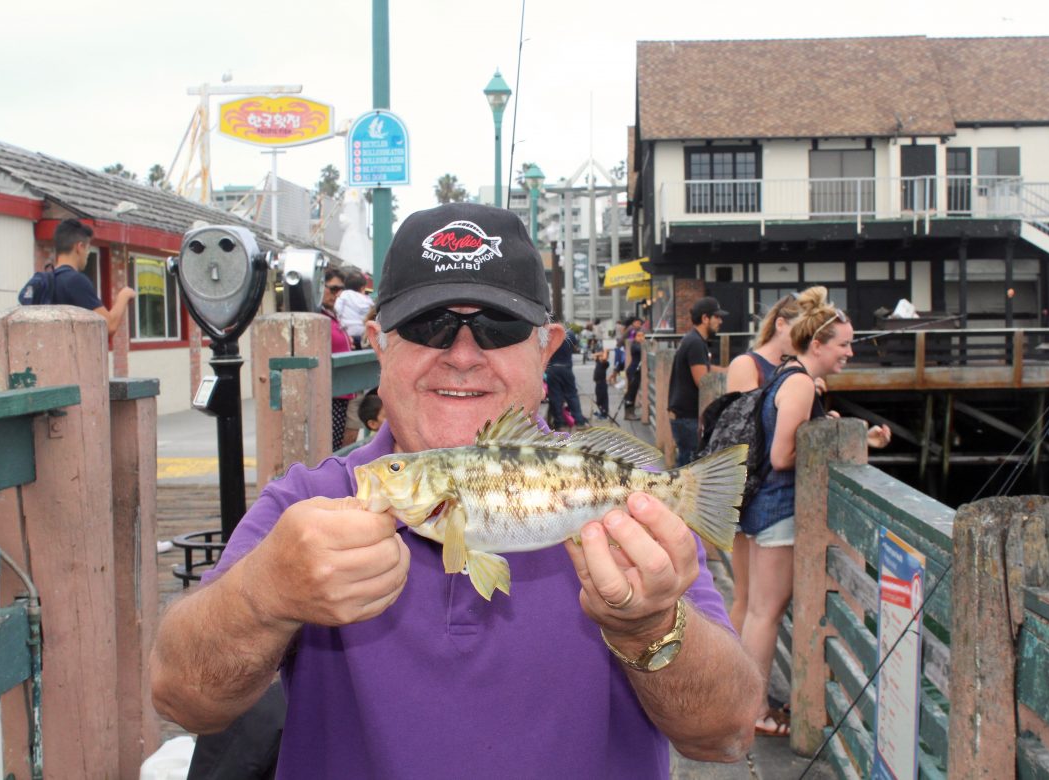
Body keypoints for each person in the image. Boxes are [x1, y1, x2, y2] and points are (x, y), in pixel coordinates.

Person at [151, 203, 761, 777]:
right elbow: (183, 699)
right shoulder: (310, 504)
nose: (462, 354)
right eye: (428, 324)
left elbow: (727, 736)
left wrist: (650, 625)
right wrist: (265, 596)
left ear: (545, 348)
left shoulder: (624, 510)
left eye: (498, 326)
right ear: (379, 342)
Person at [738, 287, 891, 738]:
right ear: (818, 344)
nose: (849, 351)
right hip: (780, 509)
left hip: (766, 507)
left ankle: (749, 703)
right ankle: (753, 710)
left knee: (758, 612)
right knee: (765, 613)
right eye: (843, 343)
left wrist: (858, 438)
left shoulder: (789, 374)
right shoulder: (801, 382)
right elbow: (785, 455)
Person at [723, 294, 800, 639]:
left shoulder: (793, 369)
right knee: (747, 597)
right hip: (750, 489)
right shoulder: (747, 364)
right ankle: (728, 682)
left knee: (761, 602)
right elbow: (746, 427)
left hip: (775, 495)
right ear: (780, 323)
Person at [667, 297, 729, 467]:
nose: (720, 321)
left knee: (686, 465)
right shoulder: (695, 342)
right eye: (717, 317)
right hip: (688, 417)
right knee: (690, 469)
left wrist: (726, 371)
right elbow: (702, 380)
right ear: (705, 318)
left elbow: (704, 367)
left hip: (683, 416)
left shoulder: (692, 339)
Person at [51, 218, 136, 335]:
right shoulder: (76, 281)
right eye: (88, 248)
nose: (87, 254)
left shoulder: (46, 281)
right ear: (79, 247)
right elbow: (108, 326)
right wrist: (124, 296)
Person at [321, 267, 356, 452]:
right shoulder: (317, 317)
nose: (338, 294)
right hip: (329, 396)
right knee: (330, 451)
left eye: (340, 290)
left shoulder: (332, 316)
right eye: (333, 289)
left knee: (339, 449)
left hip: (341, 394)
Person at [545, 327, 589, 430]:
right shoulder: (570, 333)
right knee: (572, 395)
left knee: (555, 397)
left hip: (552, 369)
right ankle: (580, 422)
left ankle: (559, 424)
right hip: (566, 368)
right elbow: (575, 347)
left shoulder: (548, 333)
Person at [335, 266, 374, 348]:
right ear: (362, 288)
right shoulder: (368, 300)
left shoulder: (343, 295)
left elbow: (337, 310)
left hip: (347, 334)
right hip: (363, 335)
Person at [624, 316, 645, 417]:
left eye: (642, 336)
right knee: (631, 393)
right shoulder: (635, 345)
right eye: (639, 336)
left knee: (634, 391)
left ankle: (631, 412)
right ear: (635, 337)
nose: (641, 338)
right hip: (633, 371)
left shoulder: (638, 344)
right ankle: (628, 413)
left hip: (636, 372)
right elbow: (641, 349)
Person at [592, 347, 610, 420]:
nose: (600, 357)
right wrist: (600, 354)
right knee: (599, 399)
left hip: (602, 383)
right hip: (598, 384)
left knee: (603, 399)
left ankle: (604, 413)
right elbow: (593, 355)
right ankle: (601, 411)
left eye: (602, 356)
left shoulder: (605, 363)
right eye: (599, 357)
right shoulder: (598, 362)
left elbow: (605, 358)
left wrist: (605, 352)